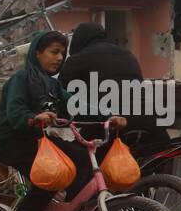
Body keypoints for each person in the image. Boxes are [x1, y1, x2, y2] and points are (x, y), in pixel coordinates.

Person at [0, 31, 125, 211]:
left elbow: (76, 105)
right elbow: (14, 112)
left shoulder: (53, 86)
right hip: (13, 141)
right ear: (37, 53)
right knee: (51, 178)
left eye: (62, 53)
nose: (60, 57)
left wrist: (108, 116)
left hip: (40, 141)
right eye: (54, 52)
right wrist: (33, 118)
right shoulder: (20, 79)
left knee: (83, 160)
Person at [58, 21, 164, 151]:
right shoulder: (128, 55)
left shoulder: (77, 60)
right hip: (148, 123)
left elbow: (62, 95)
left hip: (110, 124)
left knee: (76, 159)